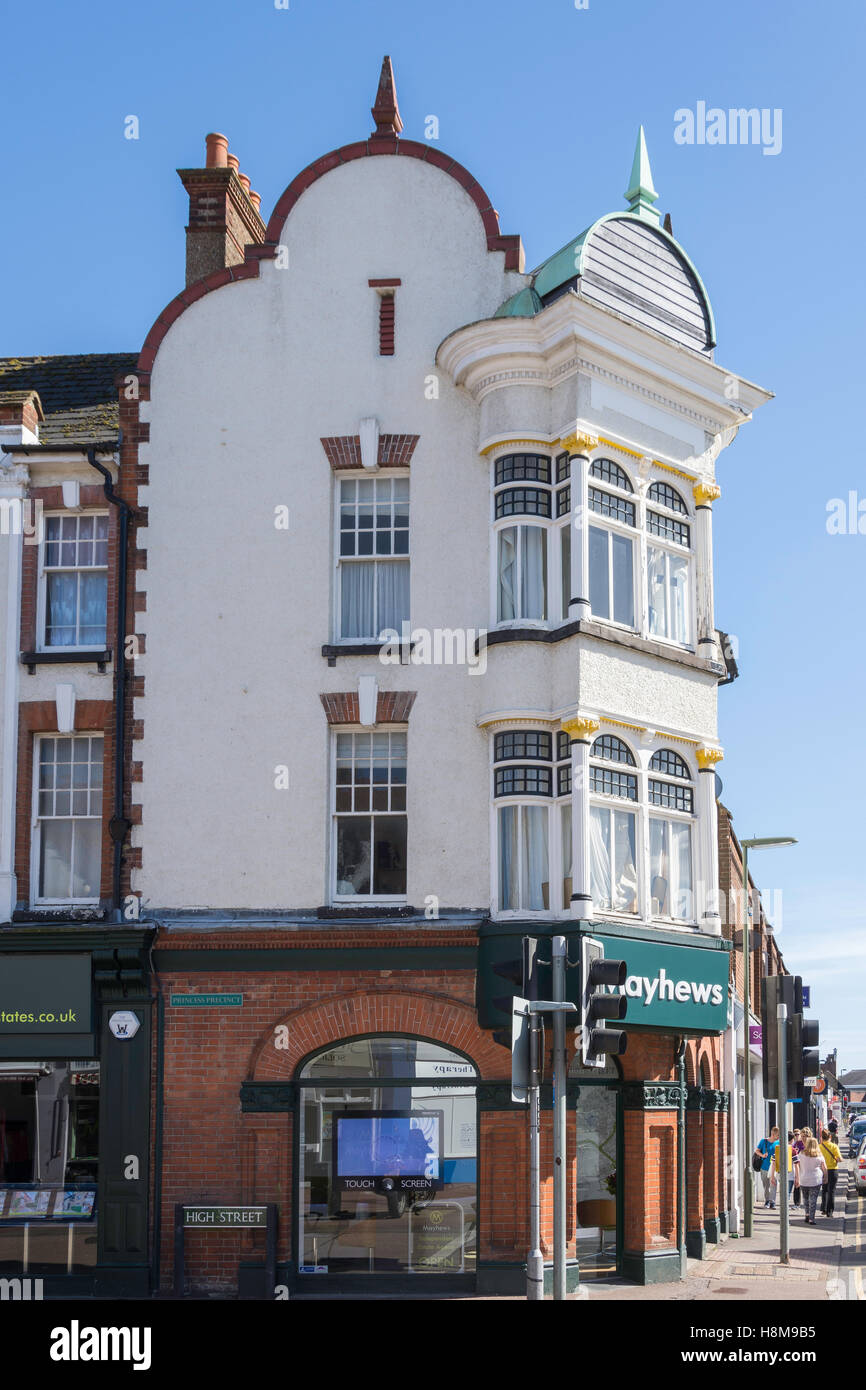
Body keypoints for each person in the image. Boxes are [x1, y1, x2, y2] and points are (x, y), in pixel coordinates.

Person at [795, 1137, 827, 1225]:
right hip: (815, 1180)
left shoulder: (801, 1154)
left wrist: (797, 1177)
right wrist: (826, 1177)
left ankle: (807, 1214)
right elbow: (824, 1168)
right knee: (813, 1199)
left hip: (804, 1179)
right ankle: (811, 1219)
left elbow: (797, 1165)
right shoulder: (819, 1155)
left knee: (805, 1198)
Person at [754, 1127, 780, 1208]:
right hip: (764, 1166)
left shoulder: (779, 1142)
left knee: (773, 1185)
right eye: (777, 1135)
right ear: (773, 1134)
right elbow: (757, 1151)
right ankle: (767, 1201)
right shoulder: (763, 1141)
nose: (779, 1136)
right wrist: (762, 1155)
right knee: (766, 1185)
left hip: (775, 1168)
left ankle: (772, 1202)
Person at [819, 1130, 842, 1216]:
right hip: (833, 1170)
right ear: (830, 1137)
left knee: (824, 1190)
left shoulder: (819, 1147)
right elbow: (840, 1159)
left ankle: (824, 1209)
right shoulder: (834, 1146)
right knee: (831, 1191)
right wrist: (836, 1159)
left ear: (822, 1137)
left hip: (822, 1170)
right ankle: (830, 1211)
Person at [774, 1131, 797, 1206]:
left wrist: (772, 1175)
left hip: (780, 1173)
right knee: (788, 1193)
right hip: (790, 1174)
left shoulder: (778, 1148)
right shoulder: (793, 1150)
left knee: (783, 1191)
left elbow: (773, 1162)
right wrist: (797, 1176)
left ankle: (783, 1206)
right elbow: (796, 1163)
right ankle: (785, 1207)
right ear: (791, 1140)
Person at [791, 1129, 804, 1206]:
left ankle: (798, 1202)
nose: (796, 1136)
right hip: (794, 1165)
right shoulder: (793, 1144)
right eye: (795, 1134)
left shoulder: (801, 1144)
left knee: (798, 1183)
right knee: (796, 1184)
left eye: (798, 1134)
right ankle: (796, 1202)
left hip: (801, 1165)